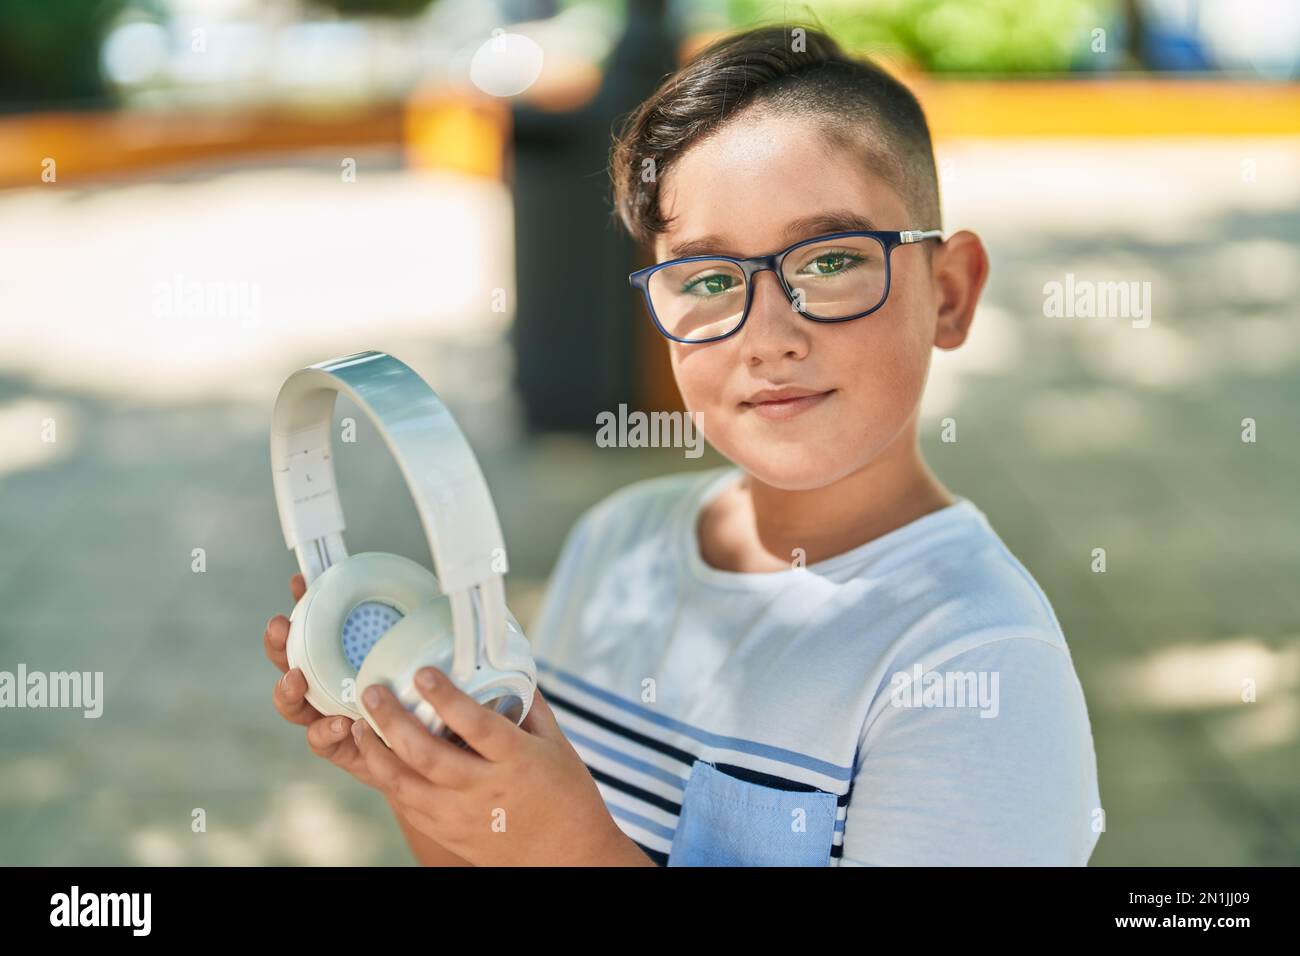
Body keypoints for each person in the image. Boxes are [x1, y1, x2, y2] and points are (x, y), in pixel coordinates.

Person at [262, 23, 1101, 866]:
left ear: (949, 293)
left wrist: (575, 846)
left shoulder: (978, 663)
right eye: (705, 278)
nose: (767, 336)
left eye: (831, 260)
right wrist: (421, 761)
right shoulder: (618, 541)